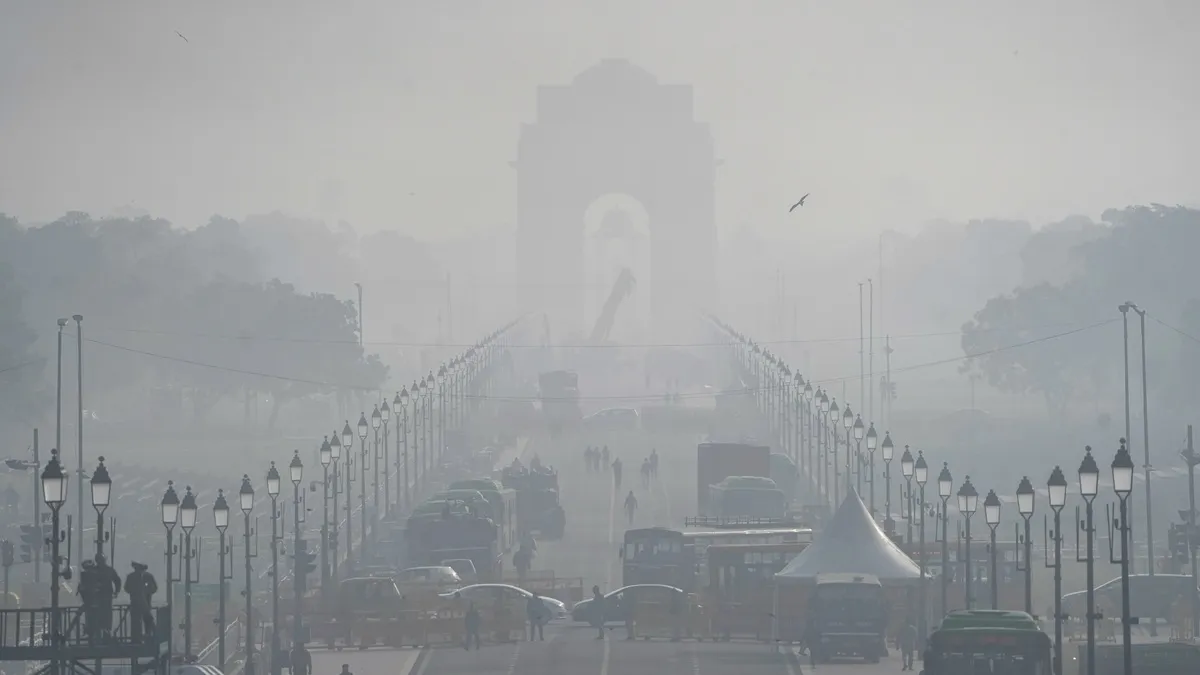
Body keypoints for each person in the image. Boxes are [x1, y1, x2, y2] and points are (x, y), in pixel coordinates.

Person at [125, 561, 158, 642]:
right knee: (139, 621)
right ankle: (139, 638)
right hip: (137, 602)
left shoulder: (147, 576)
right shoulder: (132, 576)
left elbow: (126, 588)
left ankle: (143, 638)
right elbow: (127, 588)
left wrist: (147, 592)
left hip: (142, 602)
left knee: (144, 620)